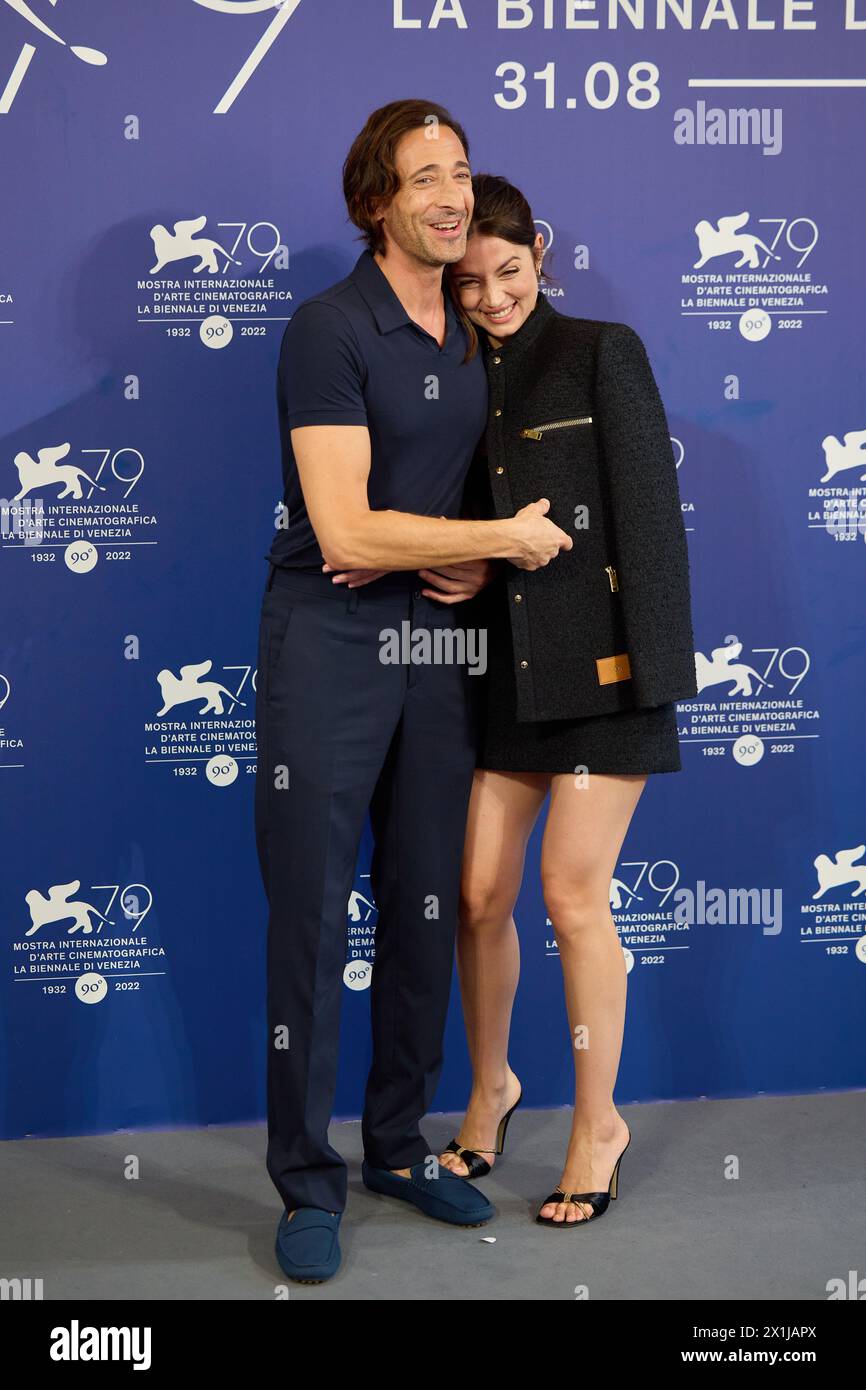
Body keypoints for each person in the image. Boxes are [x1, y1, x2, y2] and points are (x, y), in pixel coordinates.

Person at [254, 109, 572, 1283]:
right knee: (310, 912)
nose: (448, 194)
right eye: (422, 176)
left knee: (426, 901)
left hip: (440, 645)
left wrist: (466, 557)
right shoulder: (329, 328)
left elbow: (455, 511)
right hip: (326, 642)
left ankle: (397, 1142)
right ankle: (303, 1177)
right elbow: (340, 528)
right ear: (372, 203)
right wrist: (479, 536)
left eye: (460, 172)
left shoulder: (482, 324)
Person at [431, 174, 699, 1226]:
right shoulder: (450, 378)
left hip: (604, 681)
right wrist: (461, 568)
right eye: (469, 285)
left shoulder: (600, 348)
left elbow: (649, 522)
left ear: (538, 251)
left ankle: (599, 1124)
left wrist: (654, 683)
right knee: (475, 895)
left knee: (568, 893)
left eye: (508, 273)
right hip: (504, 675)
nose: (493, 298)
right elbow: (468, 529)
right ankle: (490, 1087)